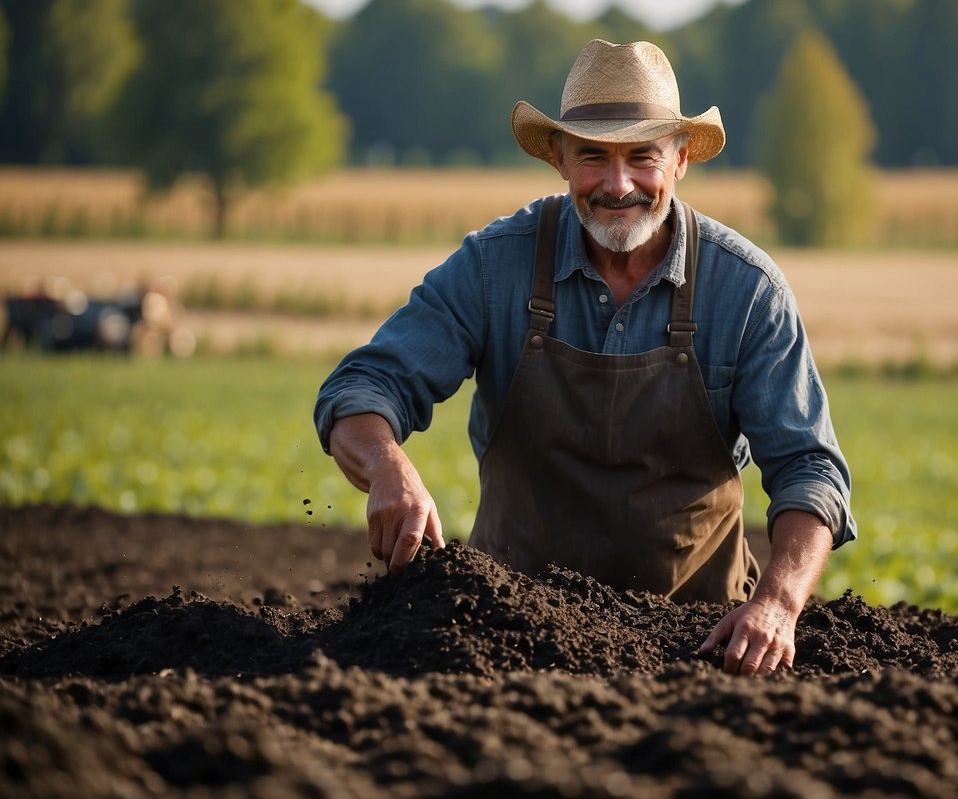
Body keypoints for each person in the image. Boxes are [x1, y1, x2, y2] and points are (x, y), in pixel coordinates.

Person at [315, 39, 856, 677]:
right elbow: (363, 385)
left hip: (695, 648)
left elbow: (810, 470)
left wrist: (777, 603)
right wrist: (387, 470)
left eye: (642, 157)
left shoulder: (746, 291)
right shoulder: (496, 265)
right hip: (505, 640)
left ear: (680, 160)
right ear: (559, 158)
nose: (618, 184)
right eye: (594, 156)